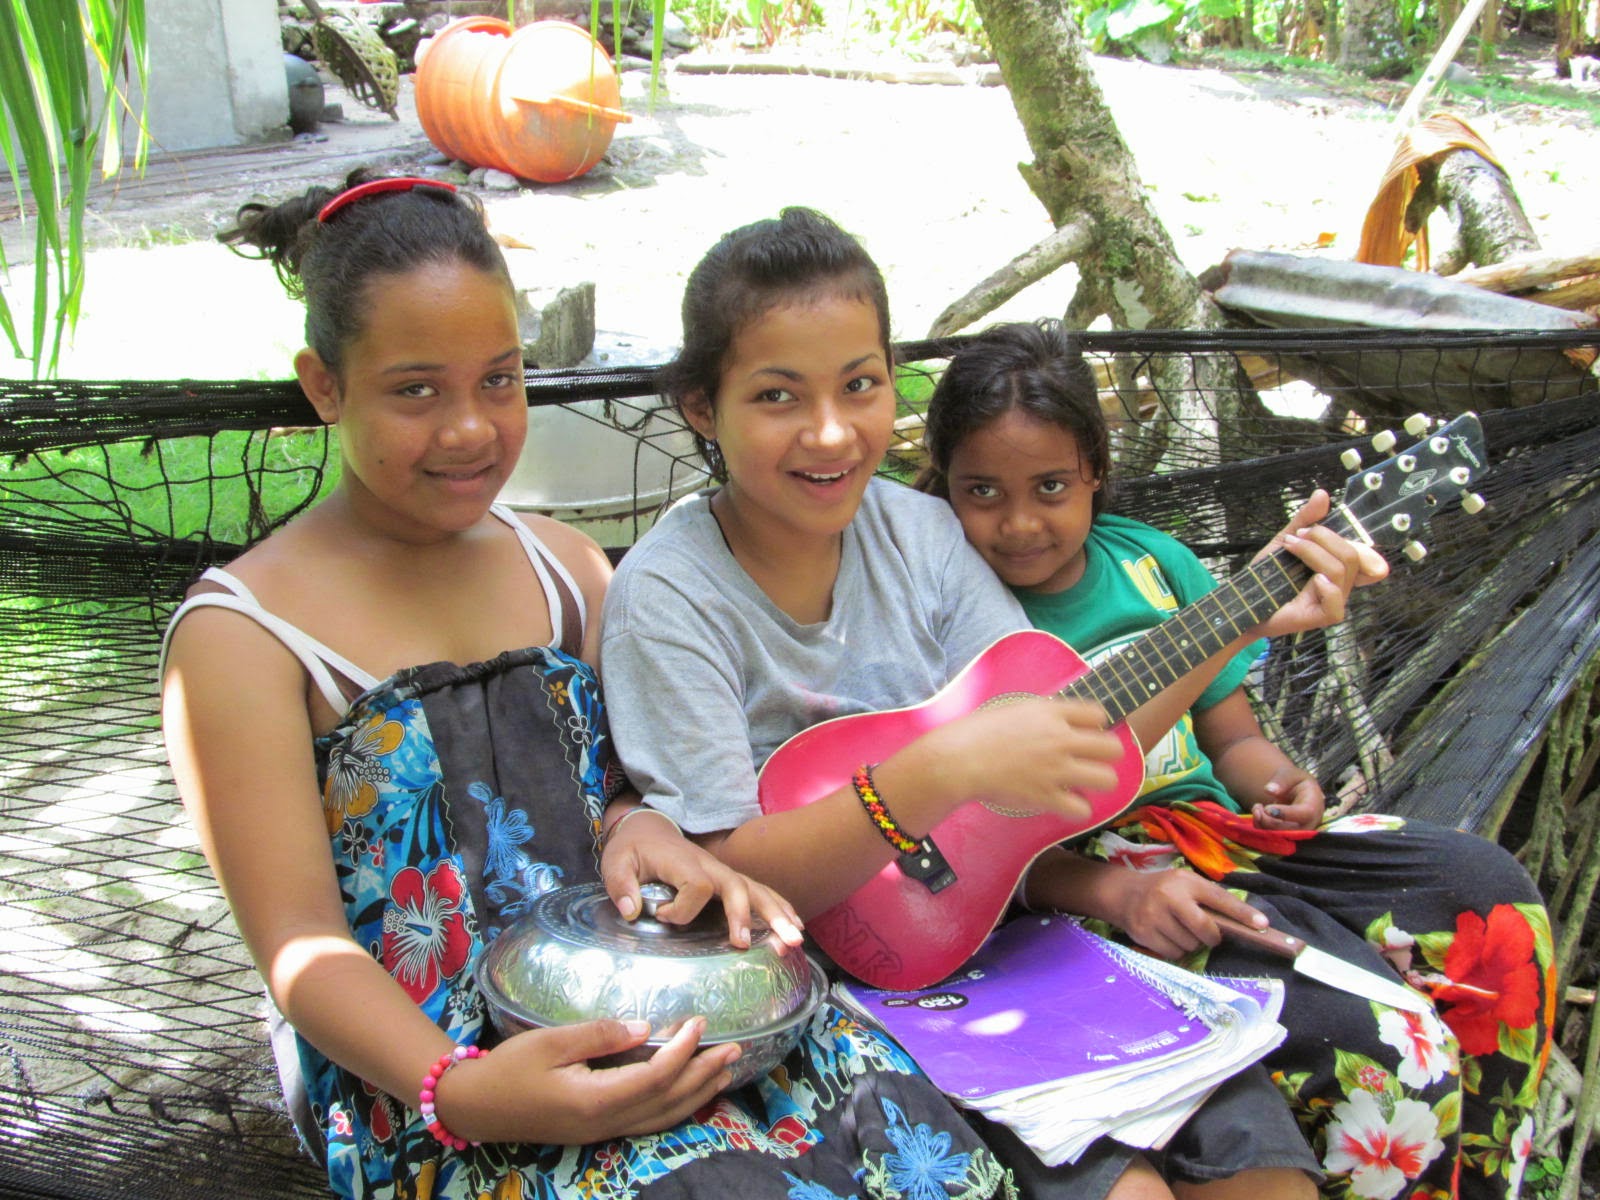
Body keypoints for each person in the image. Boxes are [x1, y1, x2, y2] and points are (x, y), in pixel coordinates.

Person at [159, 174, 1034, 1200]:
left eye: (499, 379)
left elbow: (608, 785)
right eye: (415, 389)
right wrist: (467, 1093)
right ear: (323, 386)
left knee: (927, 1166)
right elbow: (300, 948)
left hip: (670, 1004)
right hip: (443, 1076)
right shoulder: (242, 638)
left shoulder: (566, 570)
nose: (470, 430)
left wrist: (629, 824)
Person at [598, 206, 1402, 1200]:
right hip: (836, 994)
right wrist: (936, 773)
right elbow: (725, 873)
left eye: (860, 385)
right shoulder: (668, 594)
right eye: (776, 396)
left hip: (1002, 935)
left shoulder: (922, 534)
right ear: (698, 406)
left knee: (1264, 1180)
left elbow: (1073, 738)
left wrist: (1240, 617)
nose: (830, 431)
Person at [916, 317, 1555, 1200]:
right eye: (981, 490)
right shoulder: (938, 601)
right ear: (941, 484)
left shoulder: (1159, 566)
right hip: (1076, 886)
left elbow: (1234, 739)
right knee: (1375, 1043)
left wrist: (1281, 781)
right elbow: (958, 830)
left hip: (1218, 838)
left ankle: (1480, 1182)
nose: (1019, 522)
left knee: (1491, 898)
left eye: (1052, 486)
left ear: (1096, 472)